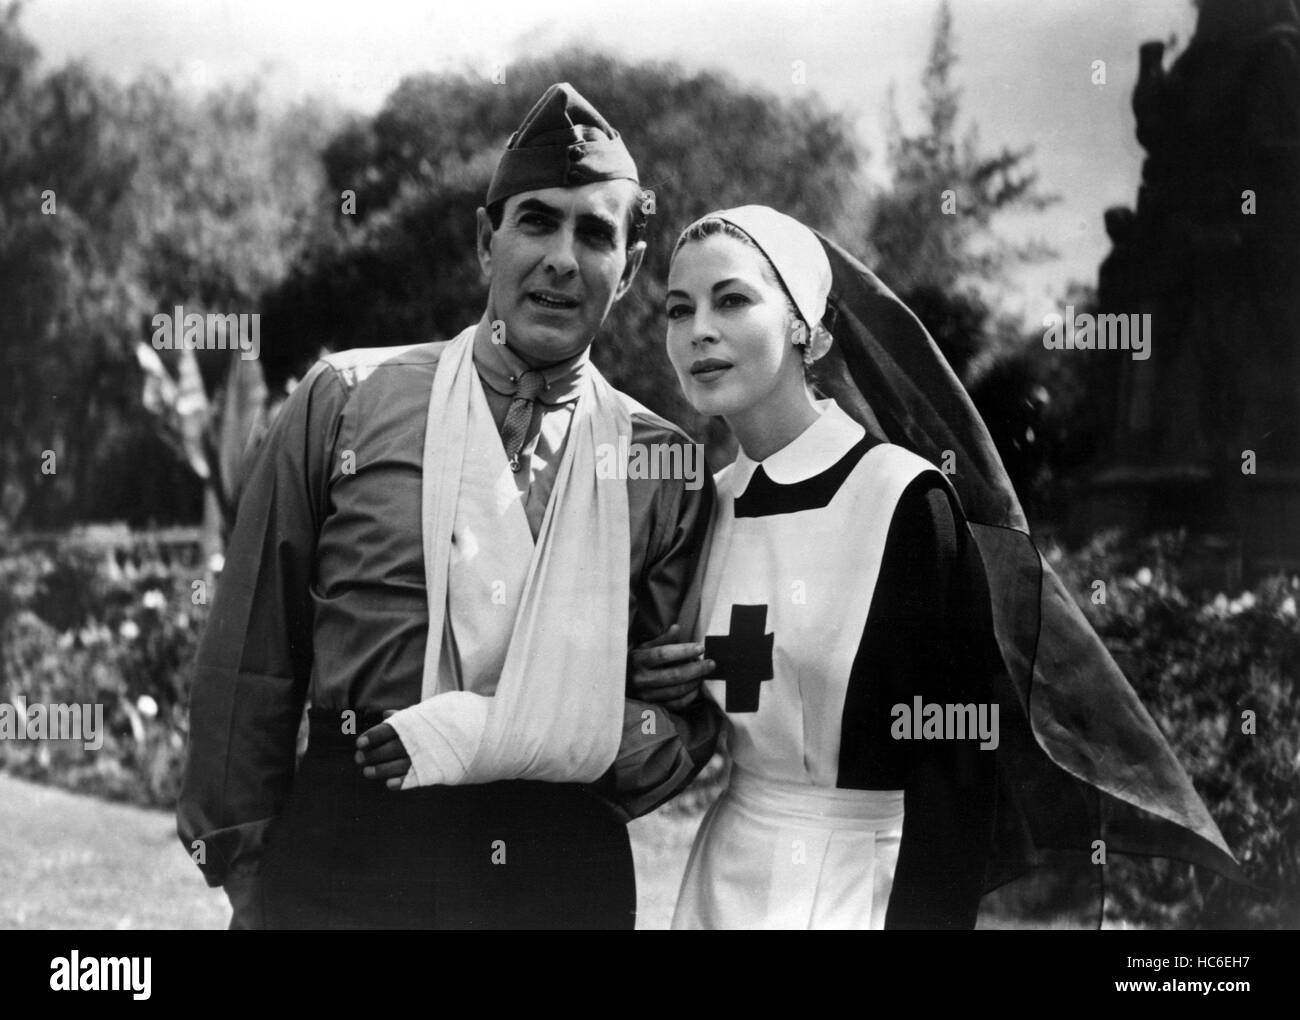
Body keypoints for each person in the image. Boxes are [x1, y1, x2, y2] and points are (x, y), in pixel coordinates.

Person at [176, 83, 722, 930]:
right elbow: (251, 649)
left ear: (632, 267)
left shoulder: (664, 465)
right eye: (536, 221)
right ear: (484, 240)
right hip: (351, 843)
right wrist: (253, 870)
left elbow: (681, 713)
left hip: (555, 864)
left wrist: (608, 718)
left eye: (594, 234)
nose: (561, 260)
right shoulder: (345, 400)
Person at [633, 205, 1241, 929]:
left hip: (862, 885)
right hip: (717, 879)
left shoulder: (901, 499)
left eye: (732, 299)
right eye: (679, 309)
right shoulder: (708, 505)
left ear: (806, 328)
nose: (698, 328)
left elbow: (955, 766)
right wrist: (648, 681)